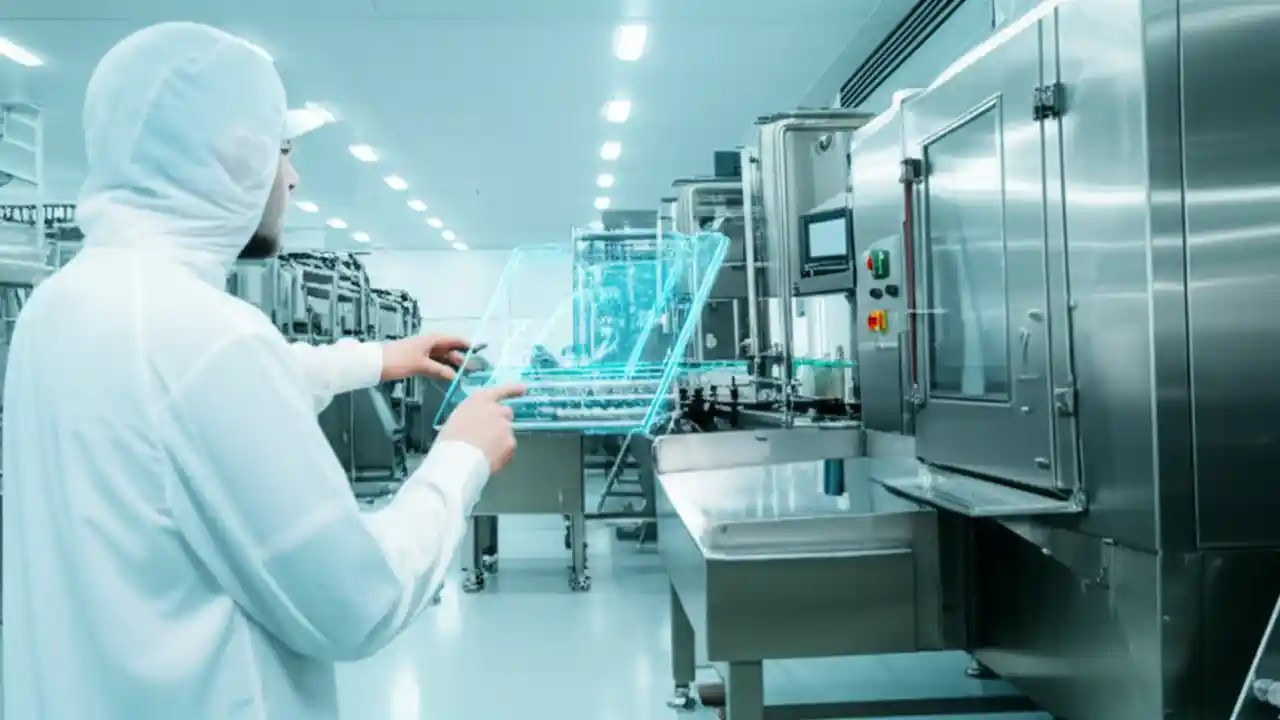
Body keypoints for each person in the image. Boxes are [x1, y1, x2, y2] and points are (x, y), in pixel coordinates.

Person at [2, 22, 523, 719]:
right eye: (283, 151)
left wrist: (382, 357)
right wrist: (460, 458)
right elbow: (358, 601)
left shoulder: (61, 305)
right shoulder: (208, 336)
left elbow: (196, 400)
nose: (294, 178)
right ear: (233, 155)